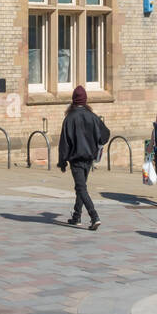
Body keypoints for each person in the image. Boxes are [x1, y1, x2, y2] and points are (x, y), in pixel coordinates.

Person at [57, 85, 109, 230]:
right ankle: (76, 216)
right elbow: (105, 135)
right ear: (85, 100)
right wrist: (96, 144)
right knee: (81, 188)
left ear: (74, 100)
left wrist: (62, 161)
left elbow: (64, 142)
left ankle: (94, 216)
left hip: (76, 159)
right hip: (89, 158)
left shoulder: (69, 118)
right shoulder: (92, 117)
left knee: (81, 188)